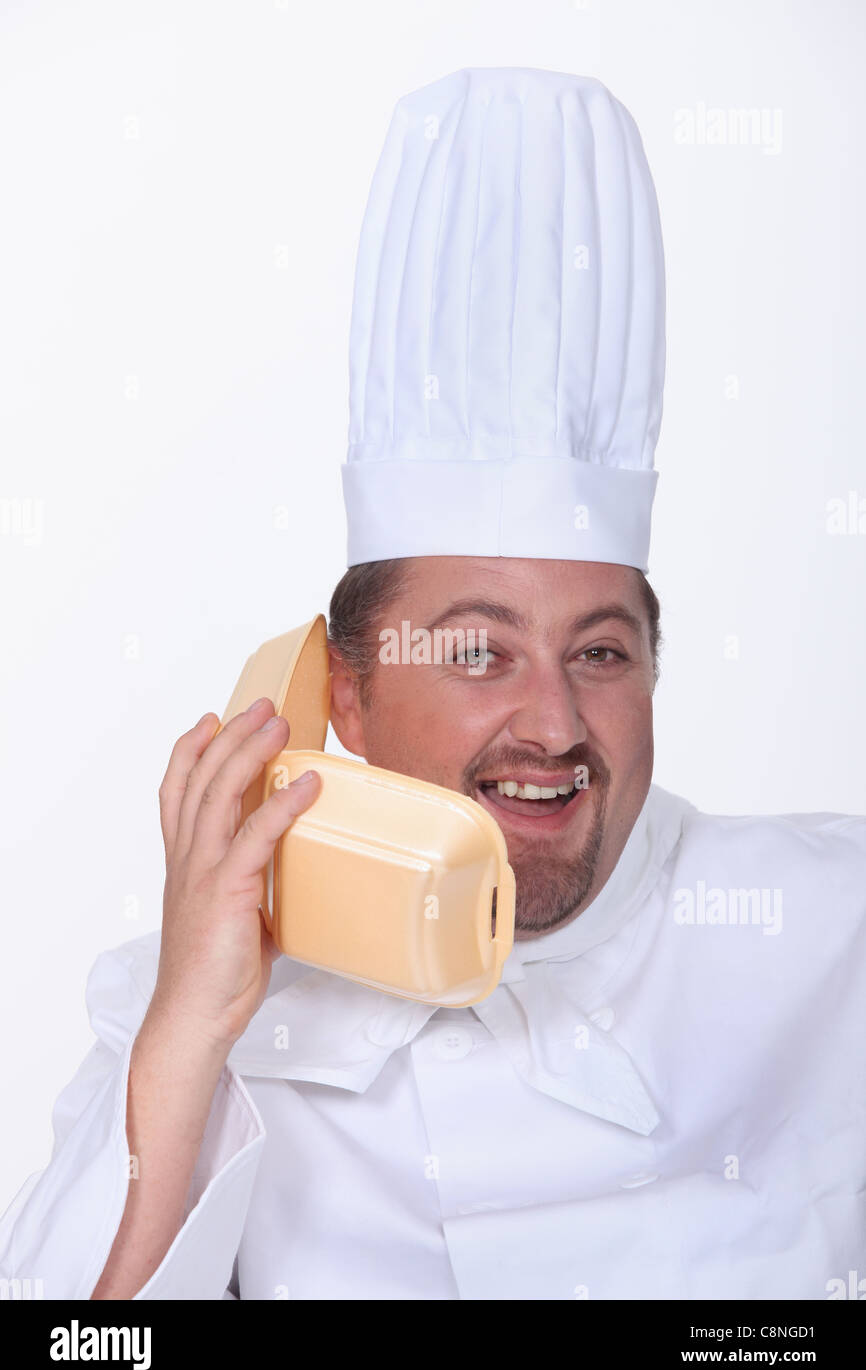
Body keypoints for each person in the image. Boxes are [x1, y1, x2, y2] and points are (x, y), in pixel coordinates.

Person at [1, 67, 864, 1302]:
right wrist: (190, 1033)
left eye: (600, 651)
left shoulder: (831, 932)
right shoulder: (201, 1007)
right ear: (338, 697)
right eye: (476, 651)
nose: (557, 724)